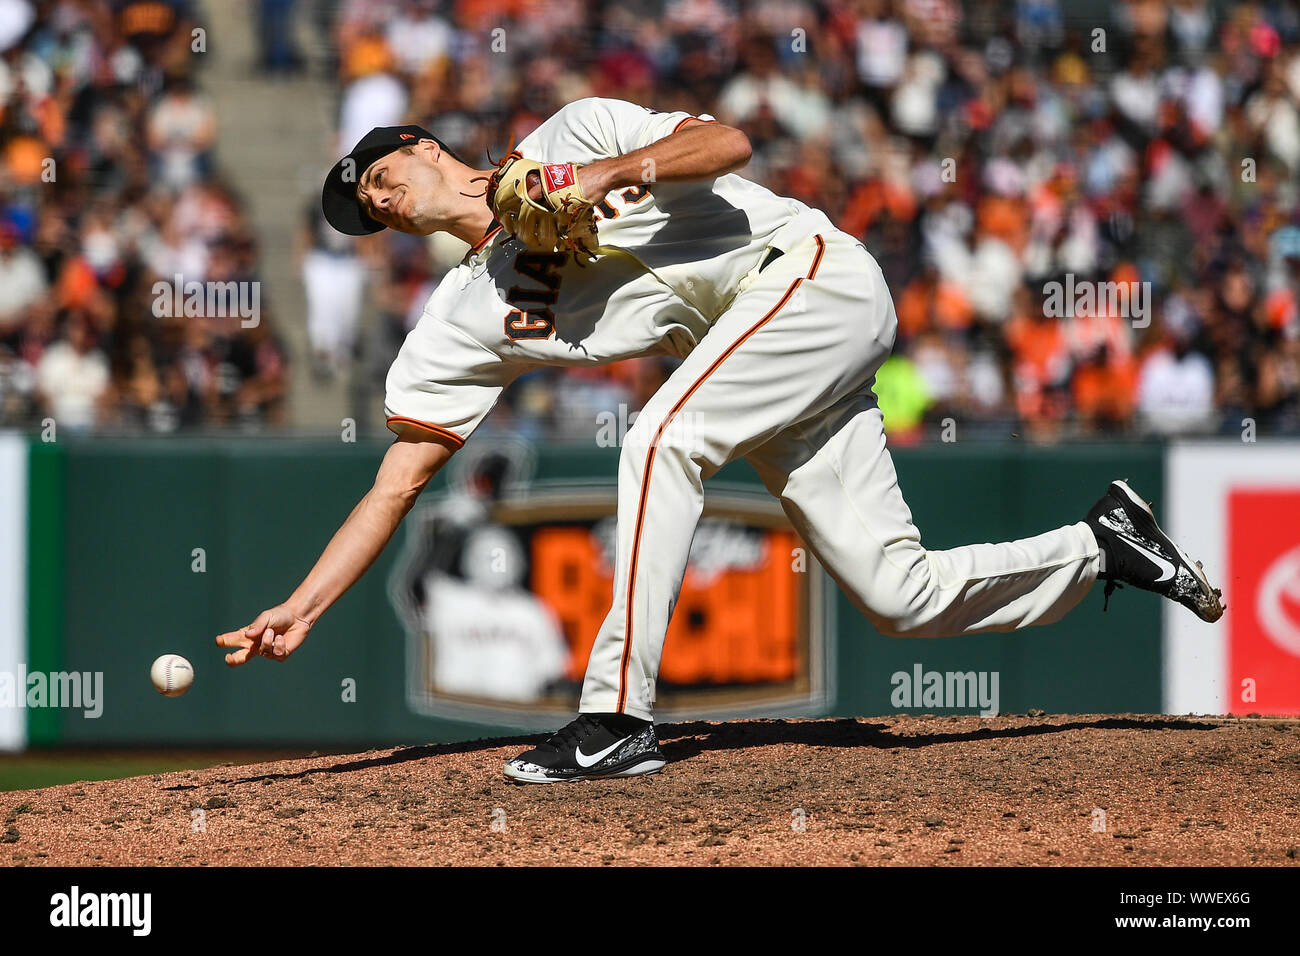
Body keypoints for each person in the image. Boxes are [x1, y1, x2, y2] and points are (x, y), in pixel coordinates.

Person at [216, 98, 1224, 784]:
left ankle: (616, 717)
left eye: (383, 176)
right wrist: (300, 604)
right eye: (367, 209)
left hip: (807, 275)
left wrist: (605, 173)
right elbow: (398, 481)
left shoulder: (572, 129)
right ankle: (1103, 543)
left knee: (657, 438)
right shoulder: (458, 319)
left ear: (427, 148)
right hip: (764, 360)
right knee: (897, 595)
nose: (381, 203)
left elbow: (727, 143)